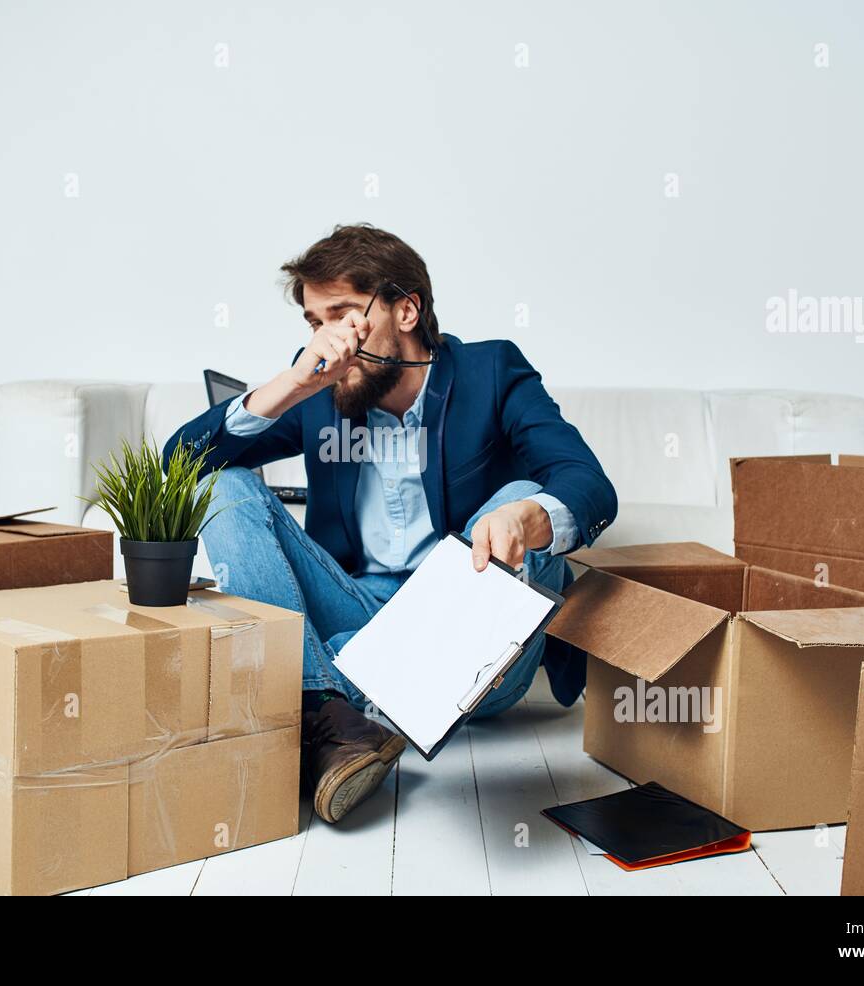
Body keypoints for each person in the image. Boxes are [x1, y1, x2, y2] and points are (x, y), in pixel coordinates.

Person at [164, 224, 616, 823]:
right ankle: (329, 705)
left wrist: (528, 516)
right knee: (222, 483)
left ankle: (308, 690)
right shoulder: (319, 390)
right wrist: (290, 385)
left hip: (472, 643)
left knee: (525, 492)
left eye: (345, 313)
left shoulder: (491, 371)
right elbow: (180, 463)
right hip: (359, 603)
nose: (331, 338)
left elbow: (589, 484)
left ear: (407, 310)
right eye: (314, 321)